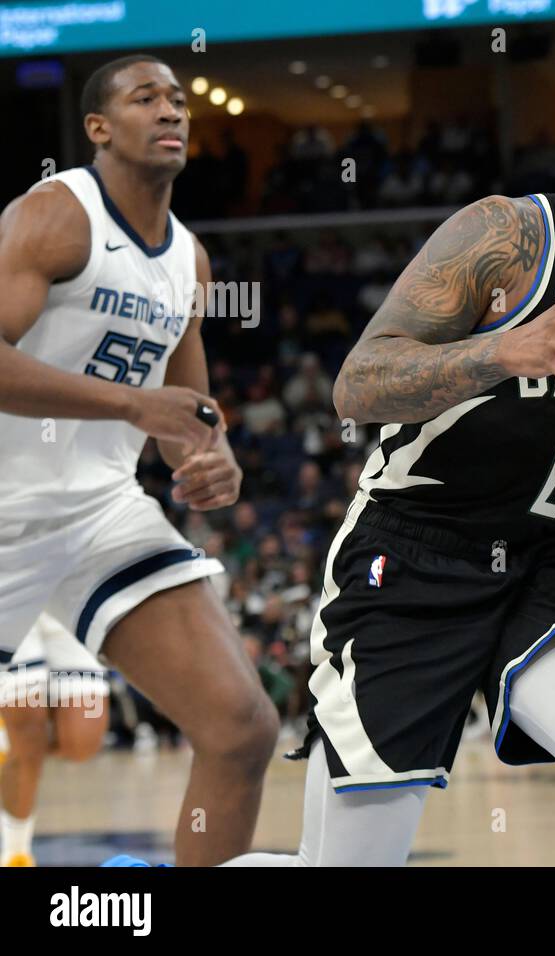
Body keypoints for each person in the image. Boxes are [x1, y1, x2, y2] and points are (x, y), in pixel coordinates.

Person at [225, 62, 555, 868]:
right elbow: (358, 386)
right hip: (408, 558)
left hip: (548, 564)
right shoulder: (514, 236)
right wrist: (506, 350)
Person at [0, 54, 276, 867]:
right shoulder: (56, 214)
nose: (170, 111)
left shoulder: (187, 259)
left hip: (97, 512)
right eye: (145, 98)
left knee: (240, 728)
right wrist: (128, 404)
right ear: (98, 128)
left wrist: (213, 457)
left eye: (179, 100)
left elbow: (187, 417)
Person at [0, 616, 110, 866]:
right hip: (13, 595)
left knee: (83, 742)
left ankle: (10, 739)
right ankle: (16, 853)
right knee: (27, 740)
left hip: (67, 599)